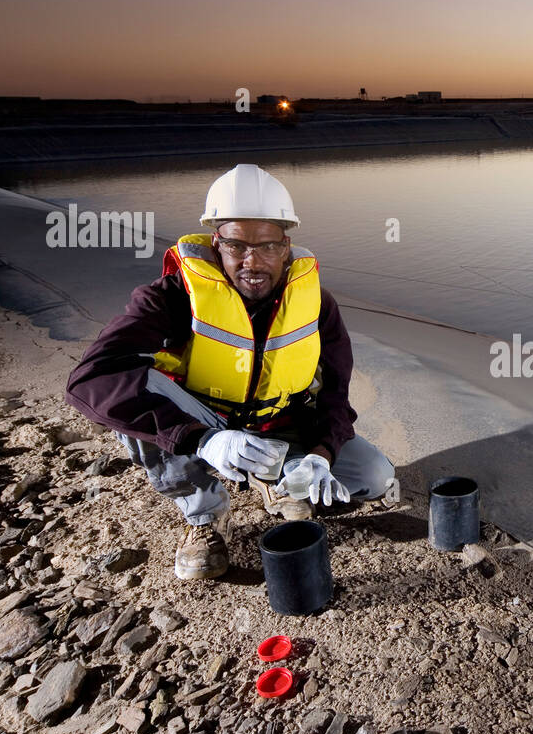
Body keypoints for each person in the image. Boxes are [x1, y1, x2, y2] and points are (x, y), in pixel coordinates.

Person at [65, 164, 394, 580]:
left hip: (280, 427)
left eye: (268, 246)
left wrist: (320, 455)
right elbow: (89, 379)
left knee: (375, 477)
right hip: (204, 425)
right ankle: (204, 516)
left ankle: (279, 481)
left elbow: (335, 394)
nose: (252, 262)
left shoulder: (316, 304)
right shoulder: (169, 298)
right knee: (134, 383)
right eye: (237, 246)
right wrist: (204, 439)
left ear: (286, 246)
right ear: (216, 243)